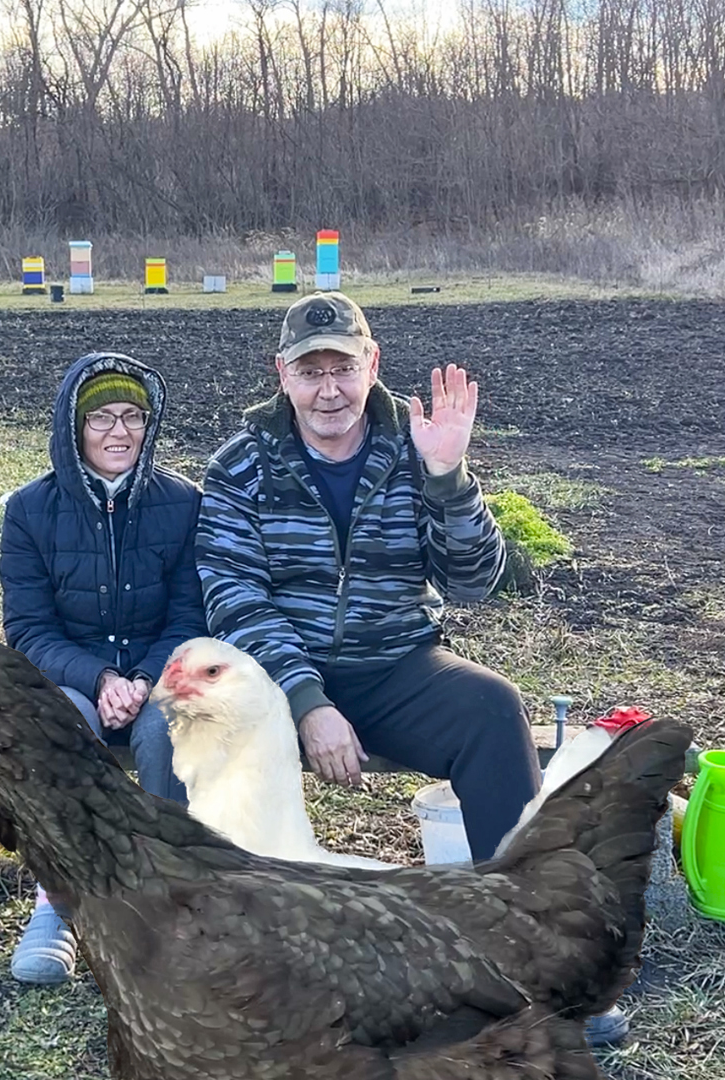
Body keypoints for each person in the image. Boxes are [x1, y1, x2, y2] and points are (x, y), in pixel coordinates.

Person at [196, 291, 628, 1045]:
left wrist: (448, 476)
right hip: (275, 684)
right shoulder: (240, 464)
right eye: (310, 370)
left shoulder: (415, 444)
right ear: (282, 376)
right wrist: (305, 701)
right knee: (185, 738)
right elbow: (235, 599)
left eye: (343, 367)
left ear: (373, 364)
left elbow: (472, 582)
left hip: (397, 661)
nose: (329, 389)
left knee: (492, 707)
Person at [0, 351, 204, 985]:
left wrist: (143, 677)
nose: (119, 432)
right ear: (73, 427)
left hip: (160, 676)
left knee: (166, 731)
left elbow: (191, 619)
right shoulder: (30, 510)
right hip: (75, 680)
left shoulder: (184, 503)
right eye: (101, 419)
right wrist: (99, 680)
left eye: (132, 416)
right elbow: (28, 630)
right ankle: (58, 907)